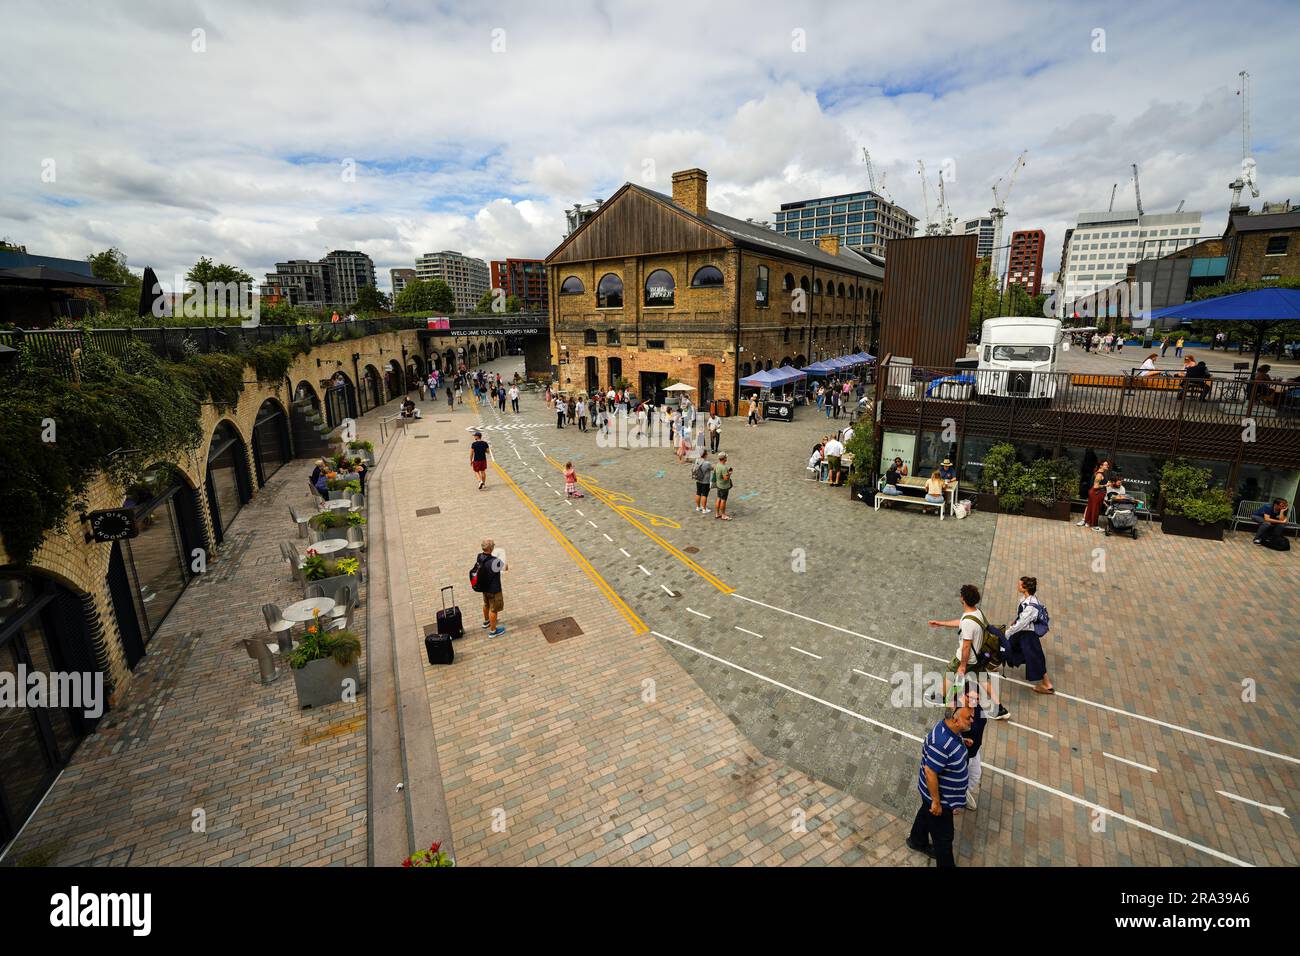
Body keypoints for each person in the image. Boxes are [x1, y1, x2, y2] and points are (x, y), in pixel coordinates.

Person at [906, 702, 974, 867]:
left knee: (925, 813)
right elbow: (930, 772)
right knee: (944, 839)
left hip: (933, 796)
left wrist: (961, 742)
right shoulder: (941, 743)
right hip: (941, 799)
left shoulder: (950, 729)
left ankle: (917, 840)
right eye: (968, 717)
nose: (972, 720)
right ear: (955, 720)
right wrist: (936, 802)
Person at [928, 584, 1009, 719]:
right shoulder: (977, 613)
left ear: (963, 599)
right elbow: (962, 622)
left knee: (950, 672)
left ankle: (941, 697)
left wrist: (963, 665)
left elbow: (966, 646)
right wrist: (941, 623)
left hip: (967, 658)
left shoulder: (968, 623)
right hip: (978, 656)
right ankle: (1000, 708)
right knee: (984, 679)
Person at [1004, 575, 1054, 695]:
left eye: (1019, 584)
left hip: (1027, 634)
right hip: (1024, 632)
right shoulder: (1028, 600)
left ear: (1025, 588)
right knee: (1032, 655)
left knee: (1035, 657)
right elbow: (1021, 619)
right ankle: (994, 663)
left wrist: (1007, 632)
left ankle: (1047, 685)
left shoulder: (1030, 607)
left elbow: (1022, 623)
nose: (1017, 585)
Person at [472, 538, 507, 637]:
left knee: (486, 604)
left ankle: (486, 621)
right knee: (493, 609)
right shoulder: (495, 562)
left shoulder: (480, 557)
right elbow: (505, 568)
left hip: (484, 587)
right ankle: (493, 630)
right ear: (491, 548)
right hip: (494, 590)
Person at [1078, 459, 1110, 529]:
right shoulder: (1099, 474)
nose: (1108, 466)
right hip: (1096, 494)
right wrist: (1105, 485)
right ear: (1101, 466)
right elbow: (1095, 486)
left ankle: (1088, 522)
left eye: (1108, 465)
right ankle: (1091, 523)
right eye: (1106, 465)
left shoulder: (1103, 473)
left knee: (1092, 508)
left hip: (1097, 494)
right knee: (1094, 509)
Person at [712, 453, 733, 520]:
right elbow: (725, 478)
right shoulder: (723, 467)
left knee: (718, 498)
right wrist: (729, 473)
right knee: (723, 500)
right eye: (726, 457)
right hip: (724, 486)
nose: (726, 458)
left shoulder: (717, 465)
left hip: (719, 485)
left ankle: (717, 513)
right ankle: (723, 515)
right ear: (724, 459)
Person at [692, 449, 713, 514]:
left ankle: (698, 507)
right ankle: (704, 509)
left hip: (698, 479)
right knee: (704, 495)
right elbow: (712, 468)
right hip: (705, 481)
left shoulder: (697, 461)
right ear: (705, 455)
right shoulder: (707, 463)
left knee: (698, 493)